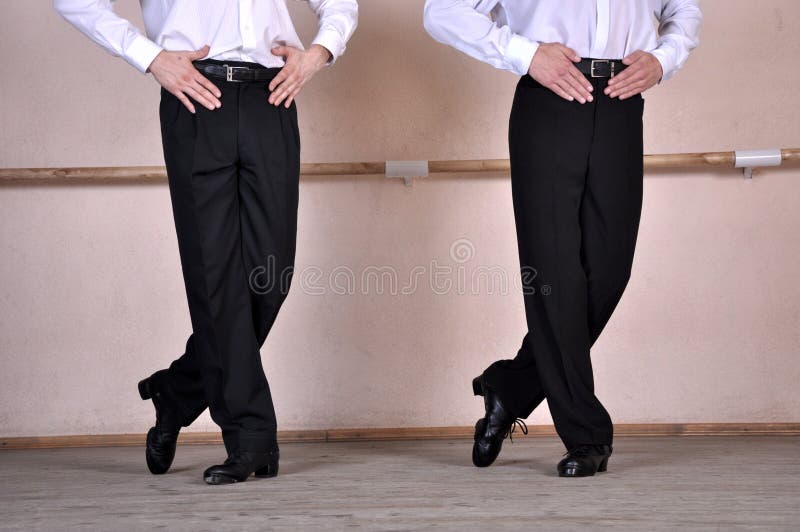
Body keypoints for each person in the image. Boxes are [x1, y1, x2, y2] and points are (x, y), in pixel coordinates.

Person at [54, 0, 358, 485]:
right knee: (216, 279)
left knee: (271, 274)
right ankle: (251, 436)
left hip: (271, 95)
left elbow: (339, 5)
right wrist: (148, 56)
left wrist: (319, 51)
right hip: (195, 97)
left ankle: (178, 390)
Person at [423, 0, 701, 476]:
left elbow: (684, 9)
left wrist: (664, 58)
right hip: (549, 100)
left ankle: (510, 387)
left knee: (609, 271)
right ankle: (586, 434)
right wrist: (524, 54)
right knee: (554, 275)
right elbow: (440, 12)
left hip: (621, 101)